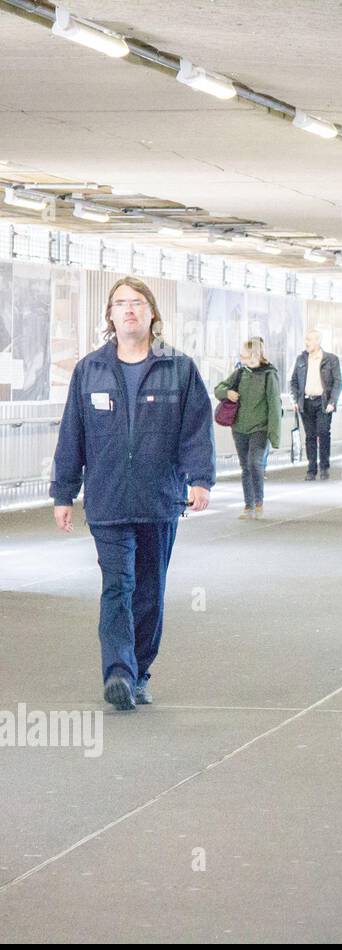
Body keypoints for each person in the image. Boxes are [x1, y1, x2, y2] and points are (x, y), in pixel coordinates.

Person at [50, 276, 216, 711]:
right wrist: (63, 493)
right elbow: (73, 434)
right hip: (107, 501)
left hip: (159, 500)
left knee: (148, 590)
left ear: (152, 313)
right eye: (120, 303)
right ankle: (118, 673)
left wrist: (200, 479)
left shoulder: (178, 368)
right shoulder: (90, 369)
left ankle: (140, 670)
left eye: (137, 303)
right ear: (109, 315)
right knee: (117, 585)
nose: (128, 310)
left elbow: (196, 430)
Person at [214, 336, 282, 519]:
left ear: (255, 354)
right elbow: (218, 389)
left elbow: (274, 406)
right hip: (239, 428)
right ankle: (248, 506)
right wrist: (227, 393)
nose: (242, 358)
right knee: (245, 466)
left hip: (260, 428)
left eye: (245, 355)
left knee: (255, 463)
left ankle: (258, 503)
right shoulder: (240, 372)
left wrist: (274, 436)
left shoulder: (269, 375)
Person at [289, 330, 342, 481]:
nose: (306, 343)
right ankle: (311, 469)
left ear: (318, 341)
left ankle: (324, 466)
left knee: (323, 433)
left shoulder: (331, 359)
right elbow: (293, 382)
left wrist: (333, 401)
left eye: (309, 340)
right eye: (306, 340)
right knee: (310, 436)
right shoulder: (301, 359)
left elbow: (338, 383)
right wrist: (294, 400)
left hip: (323, 402)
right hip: (305, 403)